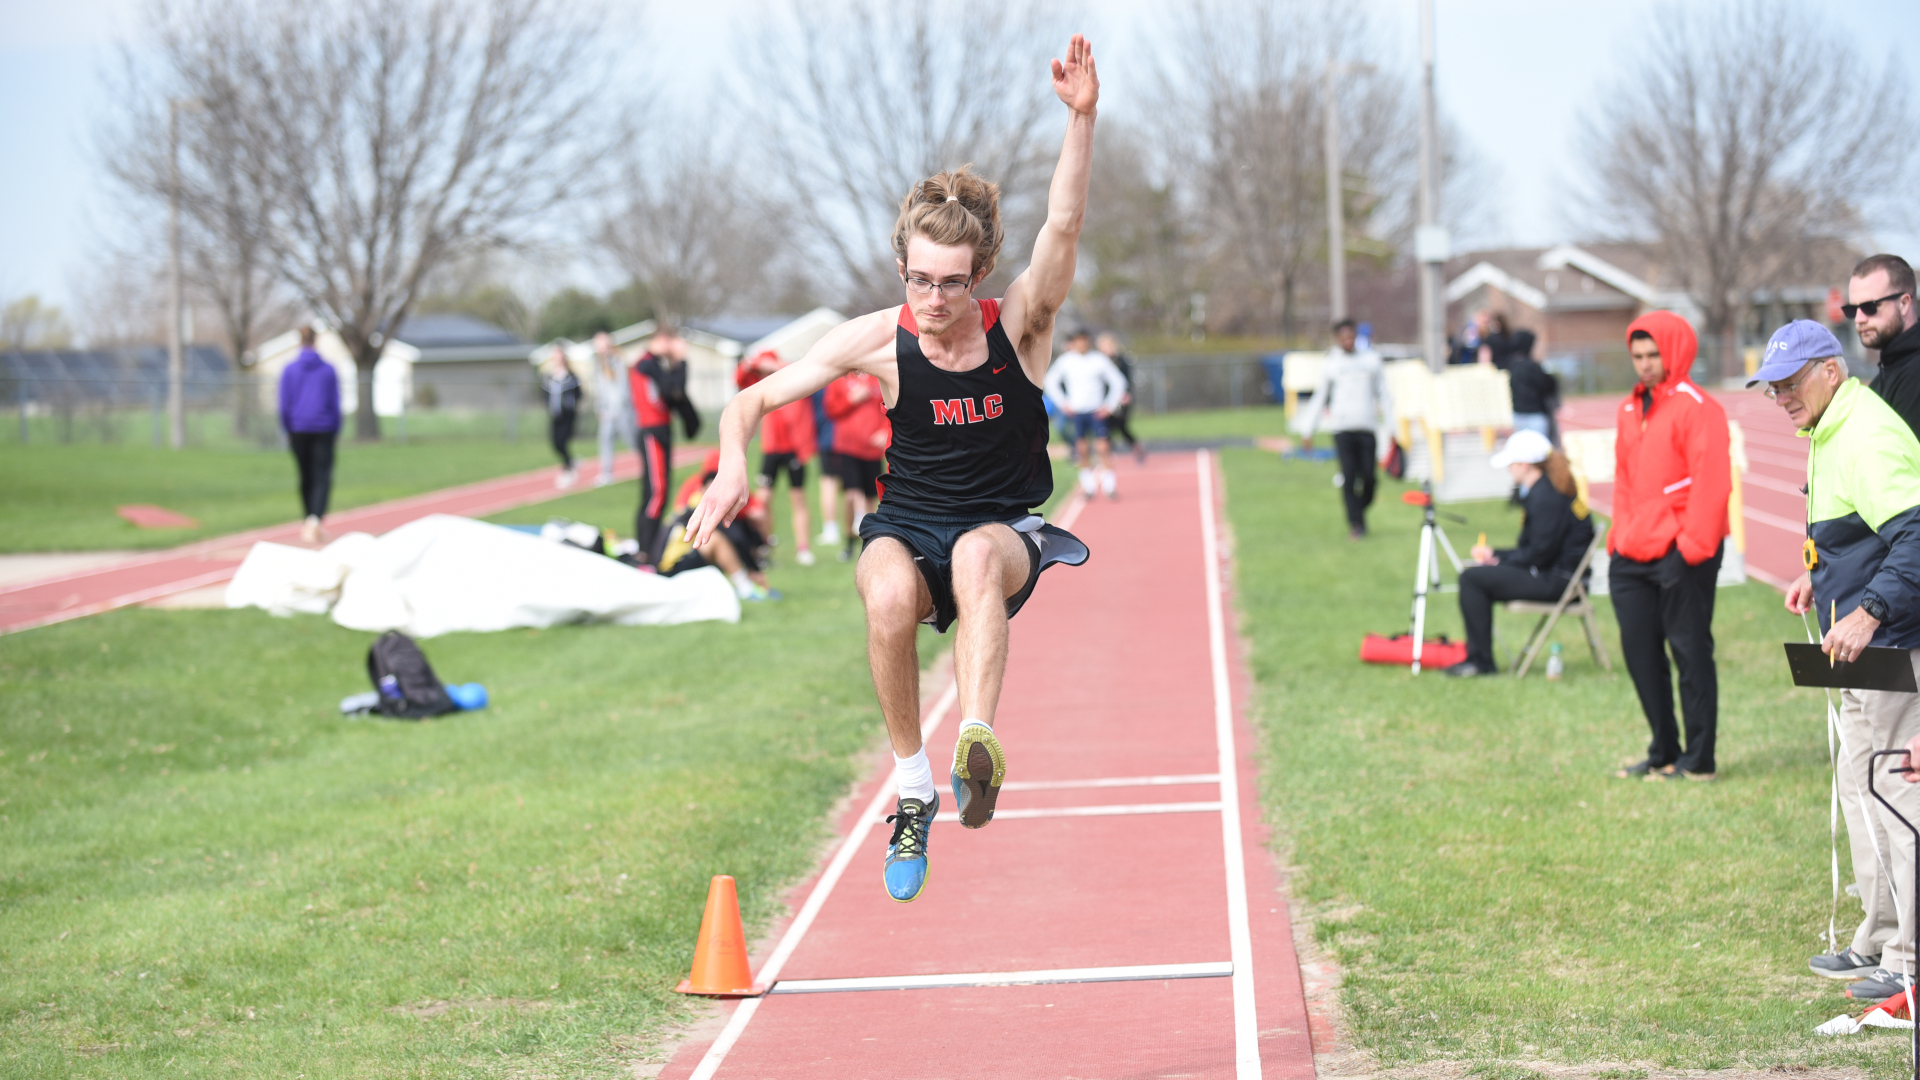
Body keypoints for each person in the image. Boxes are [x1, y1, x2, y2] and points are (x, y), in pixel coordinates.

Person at [685, 34, 1099, 903]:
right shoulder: (879, 340)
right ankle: (912, 788)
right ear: (902, 269)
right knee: (881, 590)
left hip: (1002, 525)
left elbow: (1062, 226)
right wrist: (732, 466)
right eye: (918, 279)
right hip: (907, 521)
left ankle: (974, 744)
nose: (933, 300)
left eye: (951, 283)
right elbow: (751, 401)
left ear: (980, 274)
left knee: (978, 558)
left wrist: (1081, 121)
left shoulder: (1019, 324)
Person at [1758, 321, 1920, 1003]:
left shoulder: (1867, 431)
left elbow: (1914, 533)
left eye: (1791, 382)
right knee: (1860, 790)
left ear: (1829, 370)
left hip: (1890, 644)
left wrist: (1869, 610)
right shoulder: (1831, 428)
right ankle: (1880, 934)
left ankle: (1911, 955)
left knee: (1896, 795)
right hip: (1855, 648)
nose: (1781, 397)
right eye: (1772, 387)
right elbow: (1855, 529)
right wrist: (1818, 576)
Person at [1608, 312, 1730, 782]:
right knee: (1641, 655)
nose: (1644, 365)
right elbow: (1623, 481)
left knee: (1690, 653)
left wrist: (1692, 548)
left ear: (1673, 351)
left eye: (1653, 354)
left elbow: (1712, 483)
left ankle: (1699, 761)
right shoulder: (1626, 410)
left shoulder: (1699, 407)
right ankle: (1662, 751)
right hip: (1631, 555)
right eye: (1637, 356)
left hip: (1683, 554)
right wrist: (1618, 538)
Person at [1444, 429, 1594, 678]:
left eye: (1511, 464)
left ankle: (1481, 661)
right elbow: (1536, 550)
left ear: (1525, 465)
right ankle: (1478, 658)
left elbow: (1539, 555)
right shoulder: (1548, 489)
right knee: (1477, 575)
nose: (1508, 470)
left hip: (1560, 582)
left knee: (1471, 579)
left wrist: (1500, 561)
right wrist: (1498, 556)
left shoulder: (1545, 496)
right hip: (1562, 576)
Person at [1300, 318, 1390, 539]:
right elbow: (1320, 397)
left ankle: (1358, 511)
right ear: (1337, 339)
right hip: (1342, 428)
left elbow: (1385, 396)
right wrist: (1307, 429)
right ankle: (1356, 524)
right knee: (1349, 476)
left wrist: (1393, 427)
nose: (1349, 341)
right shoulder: (1331, 363)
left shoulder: (1371, 360)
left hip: (1367, 426)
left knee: (1369, 478)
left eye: (1352, 336)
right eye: (1344, 337)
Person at [654, 451, 780, 601]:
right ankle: (745, 588)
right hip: (669, 569)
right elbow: (735, 537)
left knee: (719, 538)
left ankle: (746, 581)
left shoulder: (694, 500)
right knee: (716, 540)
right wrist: (754, 570)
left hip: (672, 563)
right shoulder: (701, 505)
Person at [736, 350, 818, 566]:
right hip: (771, 448)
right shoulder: (761, 381)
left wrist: (775, 366)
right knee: (762, 500)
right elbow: (740, 379)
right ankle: (764, 544)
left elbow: (803, 372)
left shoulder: (791, 375)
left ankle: (803, 548)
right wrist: (750, 364)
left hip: (794, 448)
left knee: (798, 498)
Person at [630, 331, 702, 563]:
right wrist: (679, 361)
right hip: (652, 432)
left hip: (661, 431)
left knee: (658, 491)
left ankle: (647, 550)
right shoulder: (646, 364)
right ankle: (647, 551)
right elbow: (673, 389)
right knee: (656, 493)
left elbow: (676, 394)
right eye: (666, 340)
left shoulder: (656, 365)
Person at [1043, 328, 1126, 498]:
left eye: (1084, 340)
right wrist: (1063, 403)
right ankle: (1089, 487)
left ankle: (1109, 486)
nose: (1081, 344)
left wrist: (1109, 406)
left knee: (1103, 448)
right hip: (1077, 413)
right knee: (1082, 450)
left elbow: (1118, 381)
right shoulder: (1066, 361)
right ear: (1073, 343)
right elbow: (1050, 381)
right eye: (1077, 341)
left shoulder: (1099, 359)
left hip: (1096, 412)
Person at [278, 325, 341, 544]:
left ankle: (309, 519)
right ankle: (314, 519)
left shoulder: (290, 370)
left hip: (299, 428)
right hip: (323, 428)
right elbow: (335, 403)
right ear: (316, 340)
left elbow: (284, 404)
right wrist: (335, 429)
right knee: (321, 476)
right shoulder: (327, 370)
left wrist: (288, 428)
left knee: (306, 476)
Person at [824, 370, 892, 561]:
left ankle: (868, 542)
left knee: (871, 496)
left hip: (871, 448)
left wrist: (884, 430)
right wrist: (851, 399)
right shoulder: (840, 380)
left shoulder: (877, 377)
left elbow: (890, 407)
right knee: (851, 493)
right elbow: (831, 409)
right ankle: (849, 541)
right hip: (847, 446)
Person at [1850, 254, 1920, 439]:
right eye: (1852, 310)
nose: (1859, 319)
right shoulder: (1883, 377)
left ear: (1904, 303)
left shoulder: (1915, 375)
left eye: (1870, 307)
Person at [591, 332, 636, 488]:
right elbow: (599, 390)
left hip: (623, 411)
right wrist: (601, 409)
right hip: (608, 413)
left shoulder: (619, 362)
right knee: (605, 440)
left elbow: (624, 388)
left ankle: (647, 465)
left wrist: (618, 409)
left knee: (632, 440)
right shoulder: (598, 365)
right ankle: (606, 473)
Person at [1096, 331, 1146, 463]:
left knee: (1121, 426)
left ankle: (1137, 448)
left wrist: (1126, 394)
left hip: (1121, 399)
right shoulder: (1099, 362)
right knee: (1106, 427)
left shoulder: (1121, 360)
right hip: (1105, 400)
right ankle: (1108, 455)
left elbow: (1126, 380)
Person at [538, 345, 582, 489]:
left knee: (563, 441)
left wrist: (570, 404)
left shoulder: (571, 377)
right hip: (555, 414)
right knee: (555, 443)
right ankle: (571, 462)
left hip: (567, 415)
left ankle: (568, 468)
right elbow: (544, 394)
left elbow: (578, 394)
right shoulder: (550, 377)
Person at [1506, 329, 1560, 443]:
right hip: (1535, 414)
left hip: (1518, 413)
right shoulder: (1531, 367)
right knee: (1540, 451)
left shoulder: (1511, 364)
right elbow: (1548, 385)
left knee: (1524, 451)